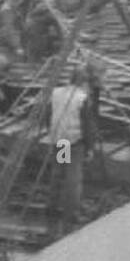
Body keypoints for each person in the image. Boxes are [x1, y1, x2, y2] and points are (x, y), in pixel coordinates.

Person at [43, 64, 92, 234]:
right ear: (83, 82)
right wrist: (90, 147)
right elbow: (87, 124)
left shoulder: (56, 93)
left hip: (61, 141)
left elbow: (48, 115)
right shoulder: (81, 98)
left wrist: (51, 132)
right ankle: (71, 214)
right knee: (73, 179)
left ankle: (52, 207)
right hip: (74, 143)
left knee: (58, 173)